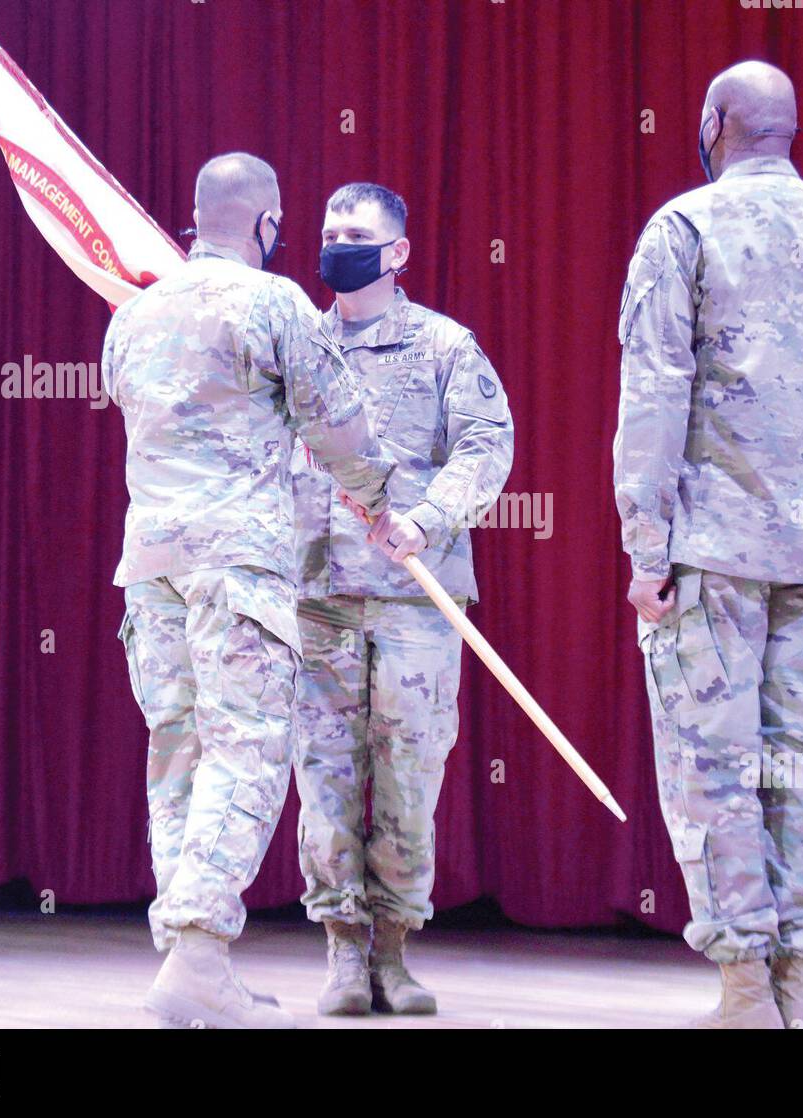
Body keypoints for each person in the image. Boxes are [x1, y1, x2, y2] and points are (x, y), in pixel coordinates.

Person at [613, 62, 803, 1028]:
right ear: (789, 130)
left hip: (715, 554)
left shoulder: (685, 228)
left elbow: (654, 394)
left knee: (713, 770)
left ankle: (746, 988)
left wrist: (644, 546)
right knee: (801, 769)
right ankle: (798, 989)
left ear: (714, 124)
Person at [102, 153, 396, 1029]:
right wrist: (380, 497)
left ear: (197, 219)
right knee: (247, 750)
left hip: (151, 568)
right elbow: (339, 424)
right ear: (268, 223)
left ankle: (190, 963)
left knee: (179, 752)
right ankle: (197, 951)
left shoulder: (135, 311)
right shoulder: (273, 304)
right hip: (238, 566)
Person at [291, 182, 514, 1016]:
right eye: (328, 230)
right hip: (316, 595)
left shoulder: (443, 346)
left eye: (356, 233)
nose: (337, 243)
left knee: (410, 779)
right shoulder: (296, 346)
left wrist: (427, 518)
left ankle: (394, 947)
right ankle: (343, 953)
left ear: (397, 254)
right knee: (326, 781)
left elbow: (490, 444)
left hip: (417, 602)